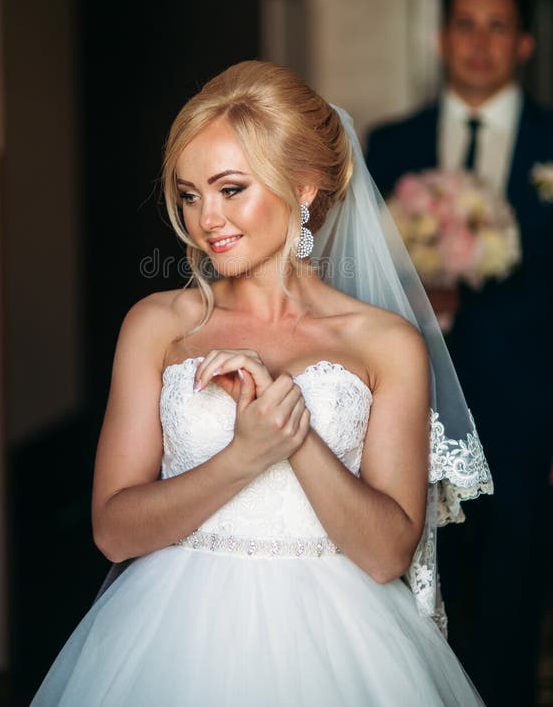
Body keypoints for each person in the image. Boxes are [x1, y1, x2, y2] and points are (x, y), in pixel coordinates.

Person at [32, 60, 492, 706]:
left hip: (341, 645)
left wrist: (290, 435)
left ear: (303, 188)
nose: (204, 220)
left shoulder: (385, 342)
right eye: (189, 194)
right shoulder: (158, 325)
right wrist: (242, 457)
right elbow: (113, 530)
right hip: (172, 636)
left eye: (230, 189)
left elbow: (388, 554)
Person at [366, 0, 553, 707]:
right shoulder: (390, 143)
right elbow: (354, 279)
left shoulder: (551, 144)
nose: (480, 42)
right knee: (412, 607)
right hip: (407, 421)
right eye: (465, 25)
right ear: (442, 39)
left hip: (525, 423)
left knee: (511, 607)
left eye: (498, 26)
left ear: (525, 44)